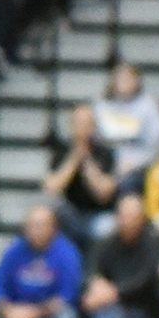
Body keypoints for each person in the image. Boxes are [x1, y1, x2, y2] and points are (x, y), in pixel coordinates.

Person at [47, 104, 119, 248]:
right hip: (70, 212)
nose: (83, 128)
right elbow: (51, 189)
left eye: (87, 124)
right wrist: (74, 160)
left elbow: (105, 193)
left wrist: (86, 162)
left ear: (94, 127)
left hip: (98, 213)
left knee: (107, 227)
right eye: (79, 123)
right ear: (72, 125)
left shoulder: (105, 152)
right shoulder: (62, 151)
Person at [95, 60, 159, 191]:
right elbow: (94, 137)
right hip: (106, 163)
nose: (123, 82)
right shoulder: (102, 106)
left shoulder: (149, 107)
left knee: (129, 183)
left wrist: (137, 162)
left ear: (137, 80)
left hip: (139, 167)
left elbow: (158, 145)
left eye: (128, 78)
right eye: (119, 78)